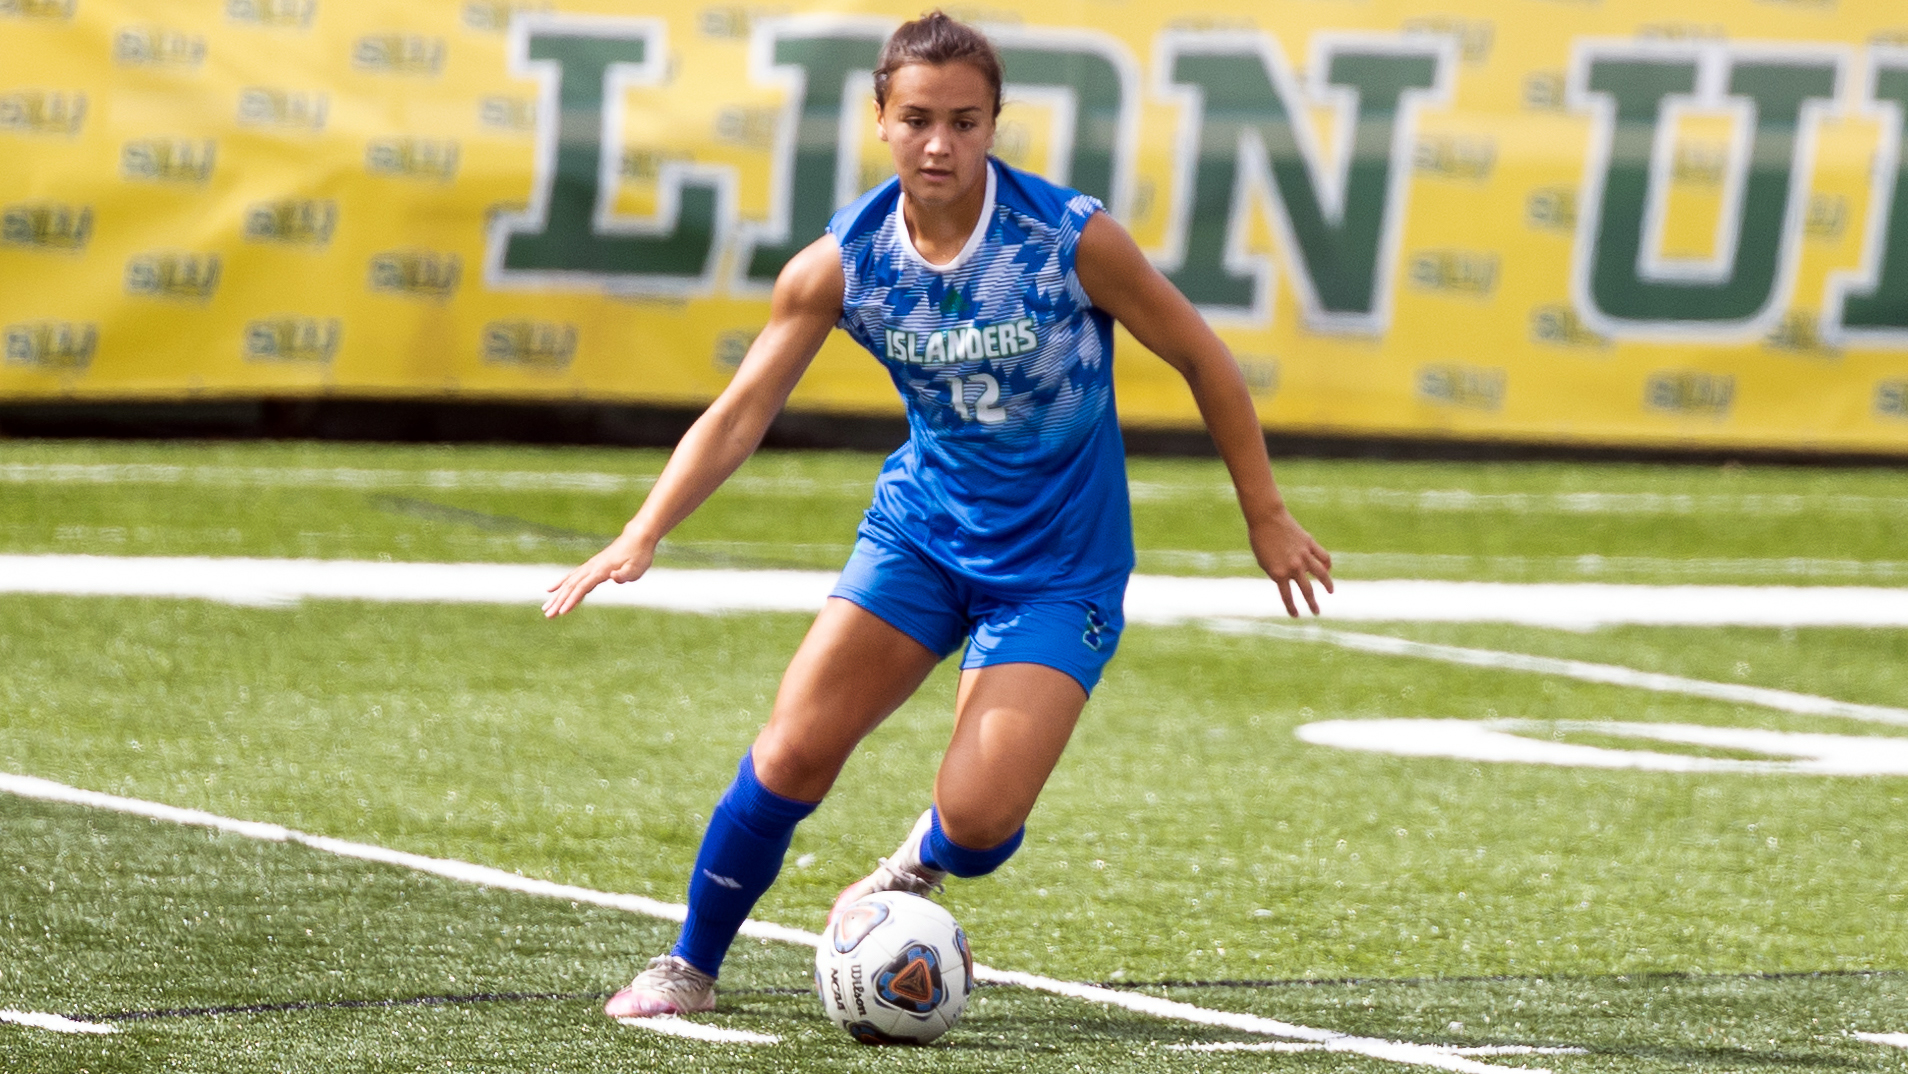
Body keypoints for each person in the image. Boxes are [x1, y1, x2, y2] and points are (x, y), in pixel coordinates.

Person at [541, 10, 1333, 1019]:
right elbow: (742, 411)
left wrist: (1262, 513)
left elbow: (1201, 357)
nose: (939, 143)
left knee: (982, 816)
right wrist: (641, 531)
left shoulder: (1069, 239)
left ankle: (920, 858)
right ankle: (688, 964)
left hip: (1058, 567)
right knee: (790, 751)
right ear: (879, 119)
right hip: (921, 538)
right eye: (917, 118)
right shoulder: (842, 264)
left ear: (995, 124)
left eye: (964, 121)